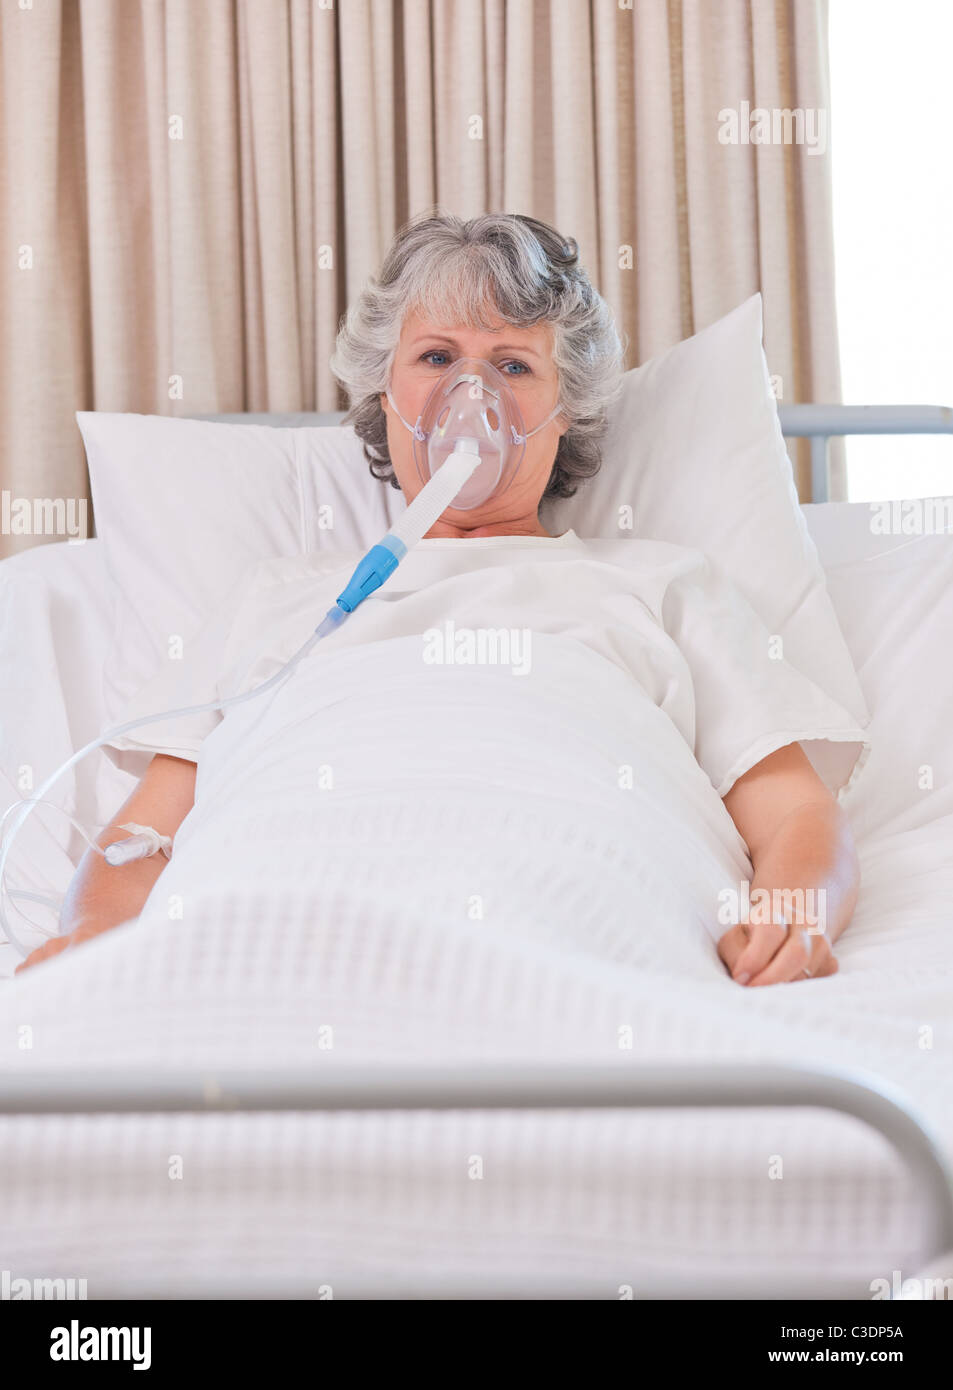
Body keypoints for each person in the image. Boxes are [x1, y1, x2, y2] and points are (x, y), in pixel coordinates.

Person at [17, 212, 859, 985]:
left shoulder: (659, 584)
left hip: (583, 914)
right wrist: (95, 938)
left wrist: (791, 913)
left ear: (567, 411)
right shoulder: (283, 599)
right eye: (435, 357)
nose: (472, 392)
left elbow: (793, 812)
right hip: (273, 916)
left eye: (512, 364)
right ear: (386, 400)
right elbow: (145, 832)